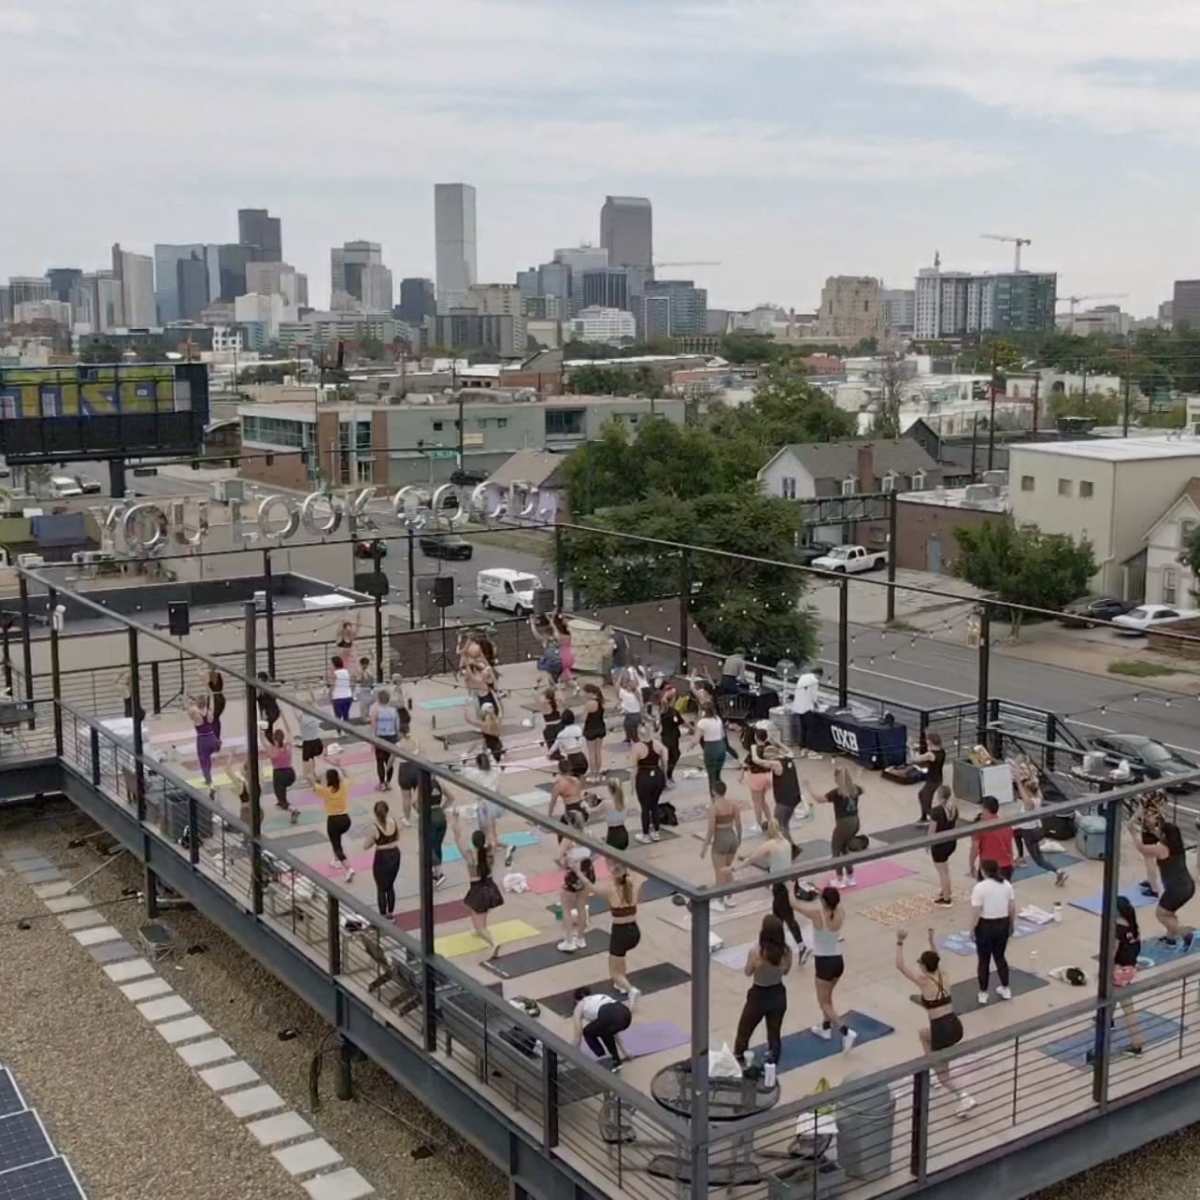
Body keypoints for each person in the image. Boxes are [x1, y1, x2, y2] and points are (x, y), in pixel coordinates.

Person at [895, 929, 975, 1117]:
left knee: (944, 1076)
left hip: (942, 1031)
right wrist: (931, 940)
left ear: (923, 966)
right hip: (955, 1025)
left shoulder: (923, 981)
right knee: (923, 1035)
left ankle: (964, 1096)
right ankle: (933, 1065)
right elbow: (937, 957)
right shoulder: (943, 975)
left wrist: (899, 942)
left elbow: (900, 965)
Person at [792, 886, 857, 1049]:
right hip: (838, 961)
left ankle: (845, 1031)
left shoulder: (817, 915)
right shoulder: (841, 912)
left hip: (824, 963)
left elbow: (794, 904)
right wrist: (821, 895)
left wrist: (788, 886)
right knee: (828, 998)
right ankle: (825, 1028)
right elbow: (832, 901)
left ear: (823, 902)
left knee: (823, 1003)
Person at [739, 818, 809, 967]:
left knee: (786, 917)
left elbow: (753, 858)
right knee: (778, 917)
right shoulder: (785, 841)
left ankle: (801, 946)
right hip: (787, 881)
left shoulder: (771, 844)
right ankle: (779, 946)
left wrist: (736, 868)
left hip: (781, 885)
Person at [1087, 896, 1145, 1063]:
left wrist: (1103, 971)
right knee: (1111, 997)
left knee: (1128, 1007)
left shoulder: (1117, 930)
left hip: (1118, 971)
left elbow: (1111, 954)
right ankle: (1108, 1019)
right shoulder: (1134, 927)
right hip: (1130, 968)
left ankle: (1137, 1042)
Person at [732, 914, 793, 1067]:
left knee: (744, 1030)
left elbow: (747, 972)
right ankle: (773, 1061)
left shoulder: (756, 952)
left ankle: (739, 1058)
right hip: (778, 993)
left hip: (759, 995)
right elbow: (786, 971)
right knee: (774, 1032)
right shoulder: (786, 952)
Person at [1131, 806, 1195, 946]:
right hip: (1187, 886)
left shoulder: (1162, 849)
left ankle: (1184, 933)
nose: (1158, 831)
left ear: (1165, 836)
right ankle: (1170, 938)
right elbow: (1156, 831)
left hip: (1177, 889)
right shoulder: (1176, 846)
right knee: (1169, 912)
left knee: (1161, 914)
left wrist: (1133, 832)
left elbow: (1142, 849)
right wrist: (1149, 819)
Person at [452, 810, 503, 958]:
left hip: (478, 890)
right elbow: (492, 836)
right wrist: (487, 818)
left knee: (479, 921)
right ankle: (480, 928)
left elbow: (457, 838)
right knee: (479, 911)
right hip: (490, 887)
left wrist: (455, 820)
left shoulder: (470, 856)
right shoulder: (491, 852)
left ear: (473, 842)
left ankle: (492, 941)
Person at [971, 859, 1015, 1004]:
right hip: (1002, 923)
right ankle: (1006, 988)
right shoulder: (1006, 885)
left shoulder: (980, 888)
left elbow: (976, 911)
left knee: (983, 960)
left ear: (983, 871)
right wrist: (1011, 924)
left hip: (985, 925)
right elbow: (1011, 907)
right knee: (1000, 957)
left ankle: (983, 993)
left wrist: (972, 928)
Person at [1014, 769, 1068, 886]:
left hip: (1030, 833)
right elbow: (1036, 788)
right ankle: (1020, 857)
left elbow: (1023, 794)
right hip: (1036, 830)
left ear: (1028, 791)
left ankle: (1059, 872)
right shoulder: (1039, 798)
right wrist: (1032, 776)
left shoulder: (1029, 804)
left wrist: (1018, 781)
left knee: (1039, 861)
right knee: (1015, 832)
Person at [556, 811, 594, 952]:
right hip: (588, 872)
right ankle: (581, 938)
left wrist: (566, 862)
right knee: (581, 906)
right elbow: (596, 850)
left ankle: (569, 940)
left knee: (566, 908)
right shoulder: (589, 833)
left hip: (574, 873)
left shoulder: (568, 838)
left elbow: (560, 858)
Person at [701, 780, 742, 908]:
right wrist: (739, 838)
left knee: (719, 871)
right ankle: (730, 897)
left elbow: (711, 829)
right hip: (732, 837)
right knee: (728, 868)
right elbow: (739, 824)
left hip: (720, 838)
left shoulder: (713, 808)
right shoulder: (733, 805)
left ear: (713, 792)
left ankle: (719, 900)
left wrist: (704, 846)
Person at [604, 865, 643, 994]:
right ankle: (621, 983)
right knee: (621, 958)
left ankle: (630, 989)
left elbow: (590, 886)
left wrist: (578, 872)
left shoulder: (611, 891)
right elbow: (639, 877)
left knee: (613, 971)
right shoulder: (634, 888)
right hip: (634, 931)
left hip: (620, 933)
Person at [821, 764, 862, 888]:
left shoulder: (837, 793)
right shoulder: (855, 789)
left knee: (836, 850)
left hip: (844, 823)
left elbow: (819, 799)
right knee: (844, 849)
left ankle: (839, 879)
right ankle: (850, 877)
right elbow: (862, 790)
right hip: (855, 822)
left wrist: (809, 788)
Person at [573, 987, 632, 1070]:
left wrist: (572, 1052)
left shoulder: (580, 1005)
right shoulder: (600, 996)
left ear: (576, 1000)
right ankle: (615, 1061)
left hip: (608, 1014)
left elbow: (578, 1033)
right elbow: (613, 1029)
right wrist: (624, 1051)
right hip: (626, 1014)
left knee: (587, 1032)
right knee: (605, 1032)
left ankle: (603, 1057)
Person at [315, 766, 354, 883]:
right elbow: (347, 776)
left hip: (333, 820)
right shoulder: (344, 786)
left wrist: (318, 776)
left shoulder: (325, 791)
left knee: (336, 845)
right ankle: (336, 860)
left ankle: (348, 868)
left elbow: (314, 783)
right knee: (338, 838)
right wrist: (340, 767)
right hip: (346, 819)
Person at [362, 799, 401, 916]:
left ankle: (383, 915)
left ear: (375, 813)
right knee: (390, 885)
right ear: (387, 811)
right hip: (395, 854)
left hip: (382, 857)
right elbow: (398, 837)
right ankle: (391, 913)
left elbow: (366, 846)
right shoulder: (393, 822)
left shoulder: (374, 827)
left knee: (380, 887)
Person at [631, 721, 667, 844]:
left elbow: (634, 767)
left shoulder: (637, 747)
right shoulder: (658, 745)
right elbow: (665, 762)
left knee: (645, 807)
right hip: (657, 775)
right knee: (655, 805)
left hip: (644, 777)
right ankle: (656, 832)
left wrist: (632, 784)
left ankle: (645, 834)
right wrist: (664, 777)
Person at [968, 794, 1015, 882]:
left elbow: (974, 848)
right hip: (1006, 865)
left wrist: (971, 865)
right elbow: (1009, 845)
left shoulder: (981, 827)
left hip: (989, 868)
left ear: (985, 809)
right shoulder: (1006, 825)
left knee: (986, 893)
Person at [742, 726, 777, 834]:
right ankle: (771, 821)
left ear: (756, 738)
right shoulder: (770, 748)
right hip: (768, 776)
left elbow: (746, 764)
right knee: (762, 800)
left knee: (757, 802)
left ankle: (758, 824)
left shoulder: (754, 750)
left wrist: (740, 774)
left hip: (756, 777)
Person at [927, 785, 958, 906]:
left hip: (939, 845)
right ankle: (946, 890)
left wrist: (927, 844)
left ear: (939, 796)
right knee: (945, 868)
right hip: (951, 842)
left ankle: (946, 898)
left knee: (942, 871)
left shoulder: (936, 811)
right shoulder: (954, 809)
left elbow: (931, 831)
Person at [370, 688, 403, 791]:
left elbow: (374, 727)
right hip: (391, 737)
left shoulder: (376, 711)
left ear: (378, 700)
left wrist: (372, 741)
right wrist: (397, 739)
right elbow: (397, 727)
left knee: (380, 761)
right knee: (389, 761)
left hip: (380, 737)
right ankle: (388, 782)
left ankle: (381, 783)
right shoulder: (393, 711)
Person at [187, 693, 221, 790]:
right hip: (212, 737)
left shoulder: (195, 713)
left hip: (203, 740)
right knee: (208, 758)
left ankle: (209, 781)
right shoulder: (209, 711)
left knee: (204, 760)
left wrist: (188, 698)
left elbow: (188, 708)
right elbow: (209, 707)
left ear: (197, 703)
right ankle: (208, 779)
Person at [265, 728, 299, 823]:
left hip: (279, 775)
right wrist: (283, 716)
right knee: (282, 791)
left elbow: (262, 741)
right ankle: (282, 802)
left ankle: (293, 809)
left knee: (281, 798)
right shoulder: (287, 746)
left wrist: (260, 730)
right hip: (291, 774)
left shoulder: (273, 750)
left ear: (274, 739)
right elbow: (289, 731)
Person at [548, 758, 587, 840]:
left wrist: (549, 815)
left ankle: (565, 851)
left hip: (571, 809)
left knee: (562, 835)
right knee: (579, 834)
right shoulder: (576, 780)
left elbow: (553, 802)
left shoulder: (559, 785)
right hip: (581, 807)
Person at [694, 703, 728, 797]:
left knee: (711, 776)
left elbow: (696, 739)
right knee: (718, 774)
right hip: (721, 746)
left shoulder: (702, 722)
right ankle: (722, 795)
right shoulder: (718, 719)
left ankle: (714, 800)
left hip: (711, 748)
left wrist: (690, 745)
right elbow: (722, 734)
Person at [912, 733, 946, 823]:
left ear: (930, 742)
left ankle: (937, 819)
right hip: (937, 778)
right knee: (923, 795)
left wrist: (914, 749)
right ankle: (923, 817)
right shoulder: (942, 751)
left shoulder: (930, 755)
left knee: (925, 801)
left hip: (932, 781)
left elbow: (915, 759)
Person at [657, 684, 686, 786]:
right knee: (668, 758)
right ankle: (664, 779)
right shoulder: (664, 710)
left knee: (675, 755)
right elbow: (664, 701)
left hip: (674, 737)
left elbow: (683, 722)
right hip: (667, 737)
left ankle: (668, 775)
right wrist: (668, 693)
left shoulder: (674, 711)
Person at [790, 664, 823, 751]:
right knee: (810, 728)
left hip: (798, 705)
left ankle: (802, 745)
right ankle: (809, 747)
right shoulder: (814, 681)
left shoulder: (803, 677)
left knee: (803, 727)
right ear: (819, 675)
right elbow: (813, 696)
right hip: (807, 707)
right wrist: (817, 704)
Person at [394, 728, 422, 828]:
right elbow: (421, 755)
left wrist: (388, 767)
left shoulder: (398, 745)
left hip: (404, 771)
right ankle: (422, 814)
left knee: (406, 797)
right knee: (417, 796)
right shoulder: (416, 741)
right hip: (416, 769)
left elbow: (392, 758)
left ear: (401, 733)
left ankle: (407, 818)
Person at [550, 708, 589, 778]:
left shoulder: (561, 734)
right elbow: (583, 741)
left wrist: (549, 754)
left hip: (571, 761)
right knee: (580, 777)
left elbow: (554, 747)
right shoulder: (578, 729)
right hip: (582, 759)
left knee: (571, 777)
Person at [296, 695, 324, 788]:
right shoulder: (316, 716)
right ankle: (314, 775)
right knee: (313, 759)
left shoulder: (302, 718)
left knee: (307, 761)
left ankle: (309, 778)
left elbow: (296, 712)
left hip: (307, 742)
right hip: (317, 741)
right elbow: (316, 705)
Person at [582, 684, 607, 780]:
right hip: (600, 727)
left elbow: (583, 718)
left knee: (591, 753)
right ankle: (598, 773)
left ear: (590, 693)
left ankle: (593, 775)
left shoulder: (589, 704)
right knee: (598, 752)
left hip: (590, 729)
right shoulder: (601, 701)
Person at [599, 778, 629, 851]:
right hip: (623, 833)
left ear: (609, 789)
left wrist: (585, 805)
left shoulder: (606, 803)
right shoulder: (625, 800)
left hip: (612, 835)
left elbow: (592, 811)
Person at [256, 673, 287, 740]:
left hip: (271, 713)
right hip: (272, 713)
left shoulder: (266, 689)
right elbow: (280, 683)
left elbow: (280, 683)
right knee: (265, 730)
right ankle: (273, 741)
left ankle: (273, 741)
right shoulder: (263, 690)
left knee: (265, 730)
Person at [553, 613, 576, 693]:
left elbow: (554, 627)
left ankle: (574, 686)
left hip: (562, 656)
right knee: (565, 672)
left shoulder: (559, 635)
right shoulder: (568, 634)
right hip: (570, 655)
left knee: (562, 672)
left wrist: (552, 620)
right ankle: (567, 685)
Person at [617, 672, 643, 744]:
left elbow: (640, 700)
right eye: (630, 683)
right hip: (629, 714)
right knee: (627, 726)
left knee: (633, 729)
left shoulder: (636, 692)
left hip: (635, 714)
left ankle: (636, 742)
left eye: (632, 683)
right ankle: (629, 739)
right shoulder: (624, 693)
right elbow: (618, 686)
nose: (631, 684)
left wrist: (634, 674)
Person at [328, 656, 354, 723]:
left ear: (334, 664)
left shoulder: (334, 674)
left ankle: (339, 732)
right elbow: (351, 683)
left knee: (338, 717)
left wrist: (330, 696)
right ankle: (348, 731)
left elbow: (332, 686)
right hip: (348, 696)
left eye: (331, 664)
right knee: (346, 715)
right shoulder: (347, 671)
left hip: (338, 697)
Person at [540, 687, 563, 759]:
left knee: (551, 742)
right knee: (557, 742)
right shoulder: (558, 702)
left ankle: (554, 754)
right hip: (559, 726)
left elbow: (539, 698)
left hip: (550, 728)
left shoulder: (544, 705)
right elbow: (561, 697)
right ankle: (557, 754)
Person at [354, 656, 376, 722]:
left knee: (368, 703)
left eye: (366, 664)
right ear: (361, 664)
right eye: (364, 664)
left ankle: (367, 715)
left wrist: (372, 688)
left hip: (369, 688)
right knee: (363, 704)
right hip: (363, 689)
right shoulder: (359, 671)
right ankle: (363, 717)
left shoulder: (369, 671)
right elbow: (358, 681)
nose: (365, 665)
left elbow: (372, 679)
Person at [206, 667, 225, 740]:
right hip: (220, 698)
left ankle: (215, 738)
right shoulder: (219, 675)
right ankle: (216, 738)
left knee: (214, 719)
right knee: (215, 719)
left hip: (215, 699)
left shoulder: (211, 675)